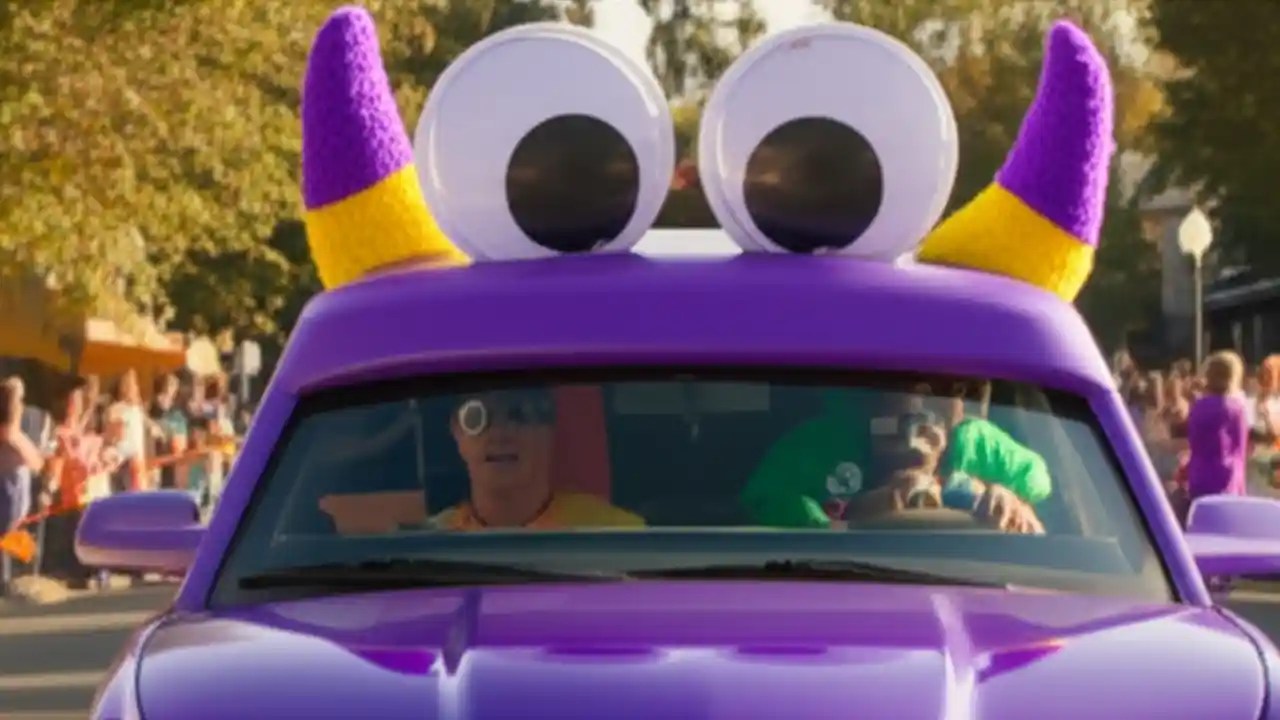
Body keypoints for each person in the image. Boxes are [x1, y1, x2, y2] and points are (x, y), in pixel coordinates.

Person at [742, 379, 1046, 533]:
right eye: (905, 387)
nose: (922, 406)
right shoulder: (823, 444)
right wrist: (848, 519)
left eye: (947, 389)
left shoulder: (978, 445)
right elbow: (767, 502)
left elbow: (1037, 487)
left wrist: (1003, 501)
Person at [431, 388, 643, 530]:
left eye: (521, 415)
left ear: (550, 431)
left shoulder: (612, 535)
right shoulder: (428, 545)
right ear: (457, 432)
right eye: (476, 418)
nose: (500, 433)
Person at [1184, 351, 1250, 520]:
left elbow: (1193, 442)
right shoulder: (1237, 409)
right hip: (1229, 479)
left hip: (1200, 475)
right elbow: (1240, 450)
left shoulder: (1198, 407)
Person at [0, 380, 45, 594]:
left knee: (8, 531)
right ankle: (5, 578)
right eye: (18, 399)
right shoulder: (10, 433)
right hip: (9, 485)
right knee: (6, 529)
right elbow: (36, 463)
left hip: (13, 484)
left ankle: (7, 575)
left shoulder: (13, 433)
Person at [108, 370, 149, 492]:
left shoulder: (137, 409)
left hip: (138, 463)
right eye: (131, 384)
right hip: (124, 463)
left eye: (135, 385)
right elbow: (115, 438)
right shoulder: (116, 409)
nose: (135, 388)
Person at [149, 374, 190, 490]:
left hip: (174, 455)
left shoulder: (177, 411)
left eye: (174, 386)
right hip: (157, 455)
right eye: (170, 385)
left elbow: (182, 433)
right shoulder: (153, 407)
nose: (171, 389)